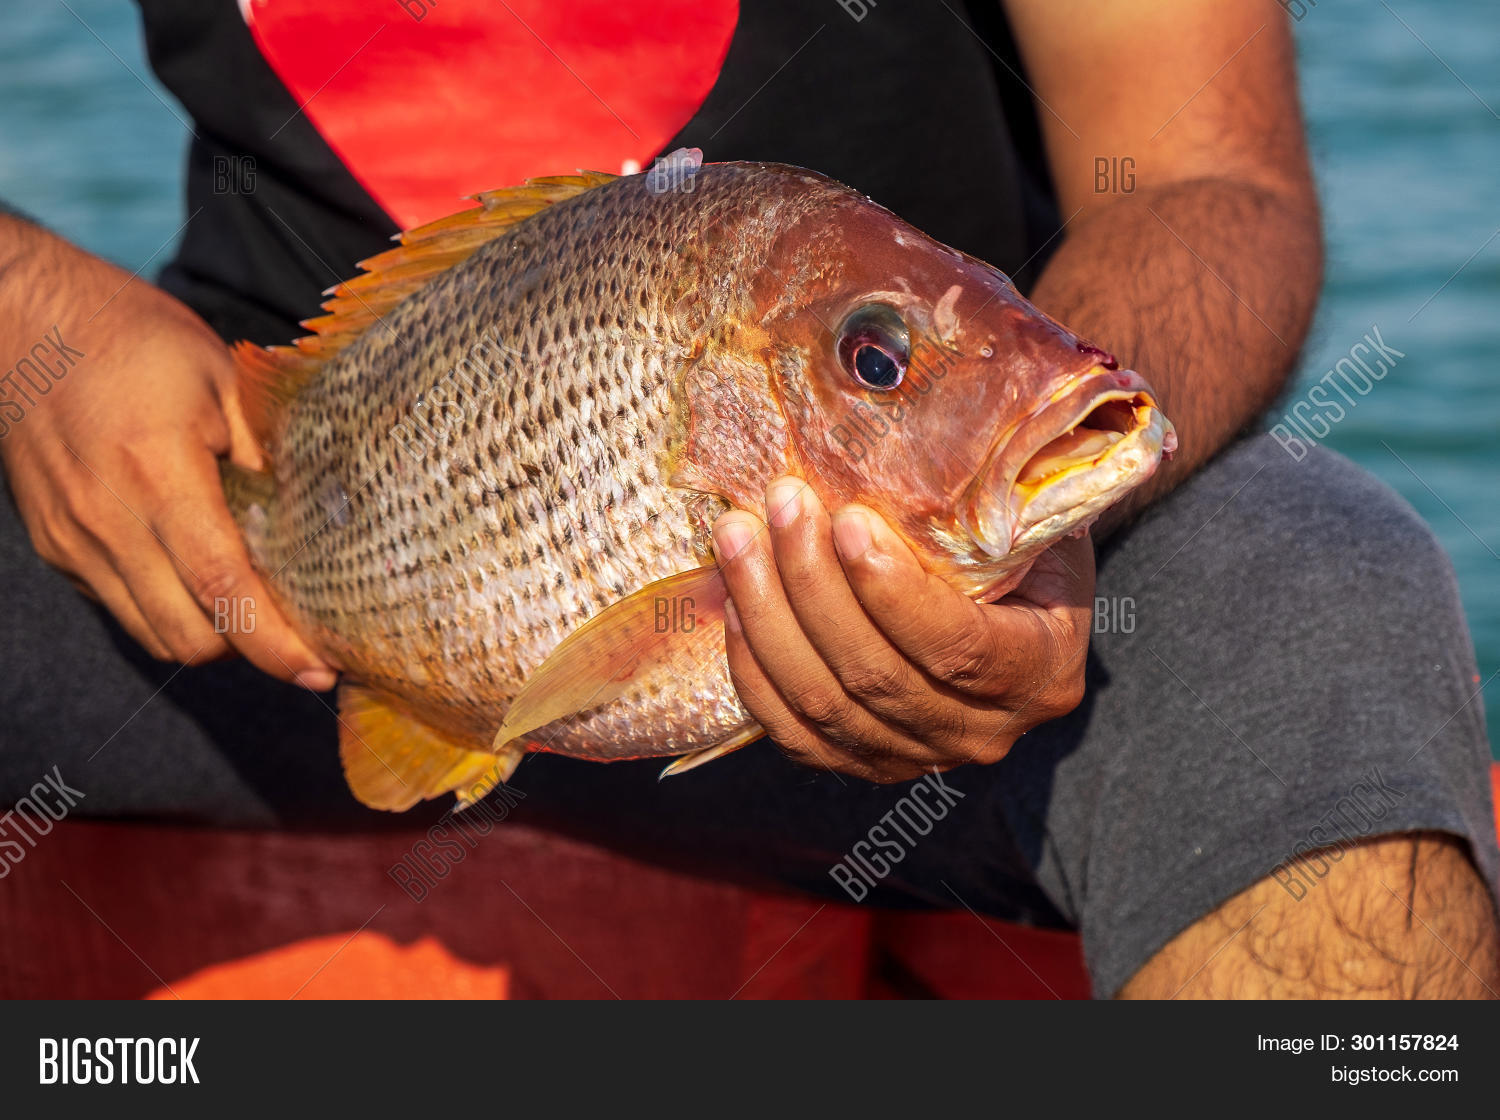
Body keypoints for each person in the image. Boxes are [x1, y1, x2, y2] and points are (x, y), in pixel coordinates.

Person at [0, 0, 1494, 998]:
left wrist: (1045, 506)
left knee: (1321, 601)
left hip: (924, 612)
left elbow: (1205, 169)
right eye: (880, 363)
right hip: (240, 493)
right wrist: (27, 311)